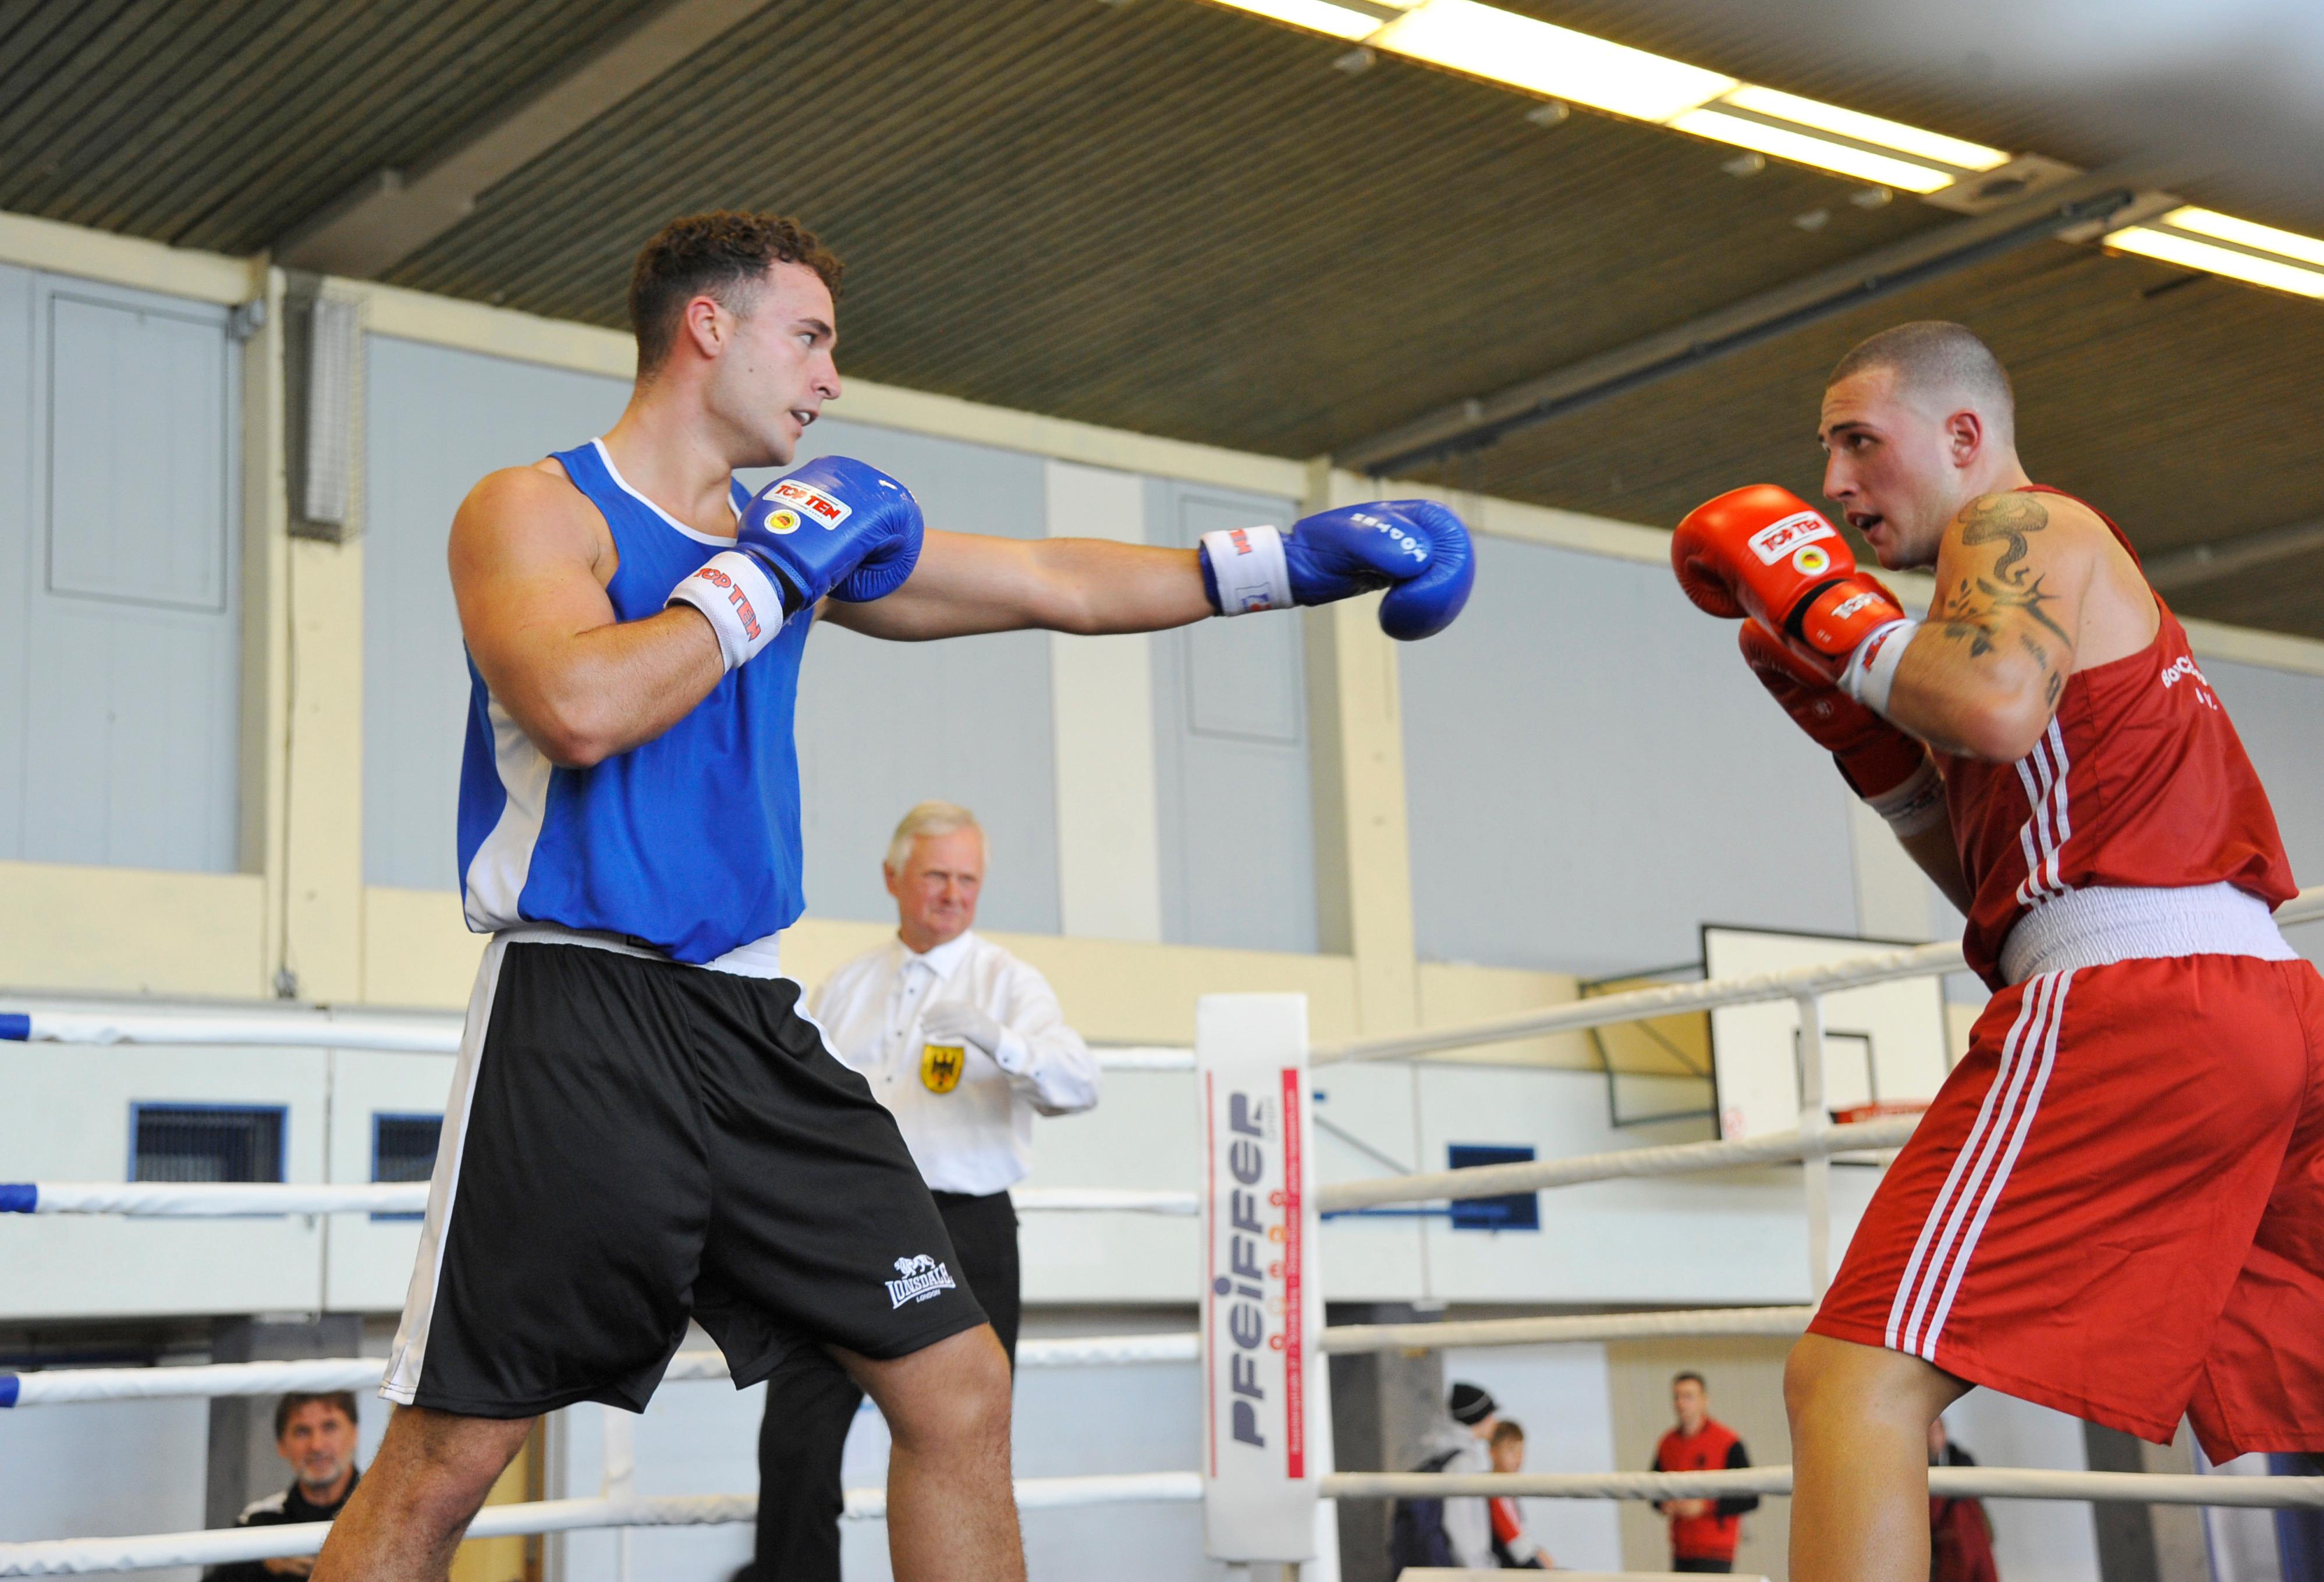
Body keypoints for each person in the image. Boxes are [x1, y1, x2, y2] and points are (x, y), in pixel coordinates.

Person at [311, 210, 1473, 1582]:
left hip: (750, 1019)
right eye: (807, 338)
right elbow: (577, 705)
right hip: (581, 1014)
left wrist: (1291, 566)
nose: (829, 378)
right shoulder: (536, 507)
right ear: (707, 327)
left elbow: (1054, 583)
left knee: (958, 1384)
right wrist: (771, 573)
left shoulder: (784, 539)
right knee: (452, 1455)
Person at [1669, 318, 2323, 1582]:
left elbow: (1983, 703)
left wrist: (1831, 622)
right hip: (2254, 1008)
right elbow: (1999, 892)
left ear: (1963, 436)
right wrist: (1866, 744)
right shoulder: (2000, 627)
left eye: (1859, 443)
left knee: (1851, 1374)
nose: (1834, 486)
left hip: (2144, 1002)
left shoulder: (2019, 529)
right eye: (1824, 454)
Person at [754, 799, 1099, 1581]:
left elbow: (1081, 1082)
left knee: (967, 1441)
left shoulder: (1007, 981)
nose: (952, 893)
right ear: (893, 878)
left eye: (967, 879)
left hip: (965, 1226)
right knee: (797, 1438)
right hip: (848, 1228)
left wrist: (1001, 1040)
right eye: (937, 875)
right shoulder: (846, 984)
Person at [207, 1392, 363, 1581]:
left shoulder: (386, 1512)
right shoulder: (260, 1522)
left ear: (355, 1434)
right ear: (281, 1445)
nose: (317, 1445)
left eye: (329, 1427)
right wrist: (261, 1565)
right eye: (302, 1432)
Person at [1649, 1372, 1759, 1573]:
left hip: (1716, 1549)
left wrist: (1705, 1507)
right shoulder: (1667, 1443)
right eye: (1677, 1396)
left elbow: (1751, 1498)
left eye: (1689, 1396)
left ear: (1704, 1401)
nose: (1681, 1403)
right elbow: (1651, 1490)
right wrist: (1665, 1504)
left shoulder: (1728, 1442)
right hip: (1681, 1548)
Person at [1393, 1381, 1504, 1571]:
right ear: (1480, 1417)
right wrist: (1480, 1571)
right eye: (1491, 1414)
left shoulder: (1445, 1454)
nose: (1495, 1422)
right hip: (1462, 1569)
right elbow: (1462, 1525)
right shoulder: (1463, 1463)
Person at [1927, 1416, 1997, 1582]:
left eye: (1936, 1431)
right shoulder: (1914, 1465)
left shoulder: (1961, 1459)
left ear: (1944, 1433)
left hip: (1970, 1541)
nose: (1933, 1438)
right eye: (1929, 1433)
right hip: (1941, 1549)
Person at [1486, 1419, 1550, 1569]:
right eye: (1511, 1450)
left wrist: (1537, 1553)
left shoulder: (1508, 1492)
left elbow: (1519, 1535)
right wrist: (1540, 1570)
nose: (1518, 1458)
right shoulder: (1492, 1492)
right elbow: (1514, 1542)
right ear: (1493, 1452)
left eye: (1521, 1451)